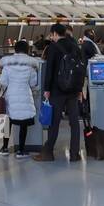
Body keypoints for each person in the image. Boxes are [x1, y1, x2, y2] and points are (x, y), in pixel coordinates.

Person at [33, 23, 85, 163]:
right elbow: (81, 69)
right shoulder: (75, 46)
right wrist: (80, 89)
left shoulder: (53, 48)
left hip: (57, 91)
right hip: (73, 91)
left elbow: (49, 70)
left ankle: (48, 153)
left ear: (55, 33)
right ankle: (75, 154)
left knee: (54, 122)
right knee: (74, 123)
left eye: (52, 35)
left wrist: (47, 90)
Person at [0, 40, 41, 156]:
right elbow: (33, 83)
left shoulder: (7, 65)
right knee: (23, 124)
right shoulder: (31, 65)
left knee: (8, 122)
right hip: (25, 95)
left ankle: (5, 147)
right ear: (27, 50)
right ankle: (21, 151)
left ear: (15, 50)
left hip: (11, 95)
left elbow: (3, 81)